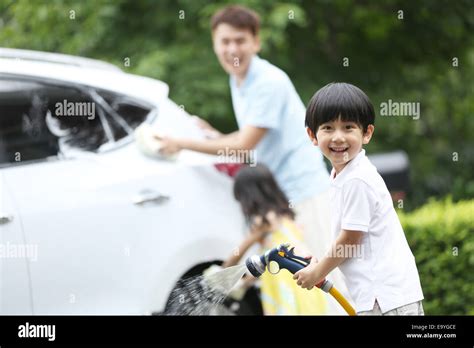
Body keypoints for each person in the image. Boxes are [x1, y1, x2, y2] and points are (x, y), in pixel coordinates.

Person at [155, 6, 349, 303]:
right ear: (214, 44)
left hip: (305, 193)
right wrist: (217, 137)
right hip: (279, 200)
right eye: (225, 41)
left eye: (240, 40)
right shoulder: (239, 80)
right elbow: (252, 145)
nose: (233, 48)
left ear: (256, 42)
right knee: (296, 291)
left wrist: (181, 143)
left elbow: (244, 145)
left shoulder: (268, 82)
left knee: (328, 286)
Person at [293, 82, 424, 315]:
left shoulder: (357, 179)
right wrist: (319, 263)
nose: (338, 137)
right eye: (328, 128)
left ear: (366, 133)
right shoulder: (341, 176)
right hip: (382, 297)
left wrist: (317, 272)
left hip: (385, 299)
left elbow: (350, 239)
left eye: (348, 127)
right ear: (312, 135)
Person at [220, 163, 328, 315]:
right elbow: (268, 261)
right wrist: (245, 284)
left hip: (286, 287)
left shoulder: (264, 221)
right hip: (303, 280)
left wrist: (220, 273)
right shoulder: (285, 215)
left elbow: (238, 253)